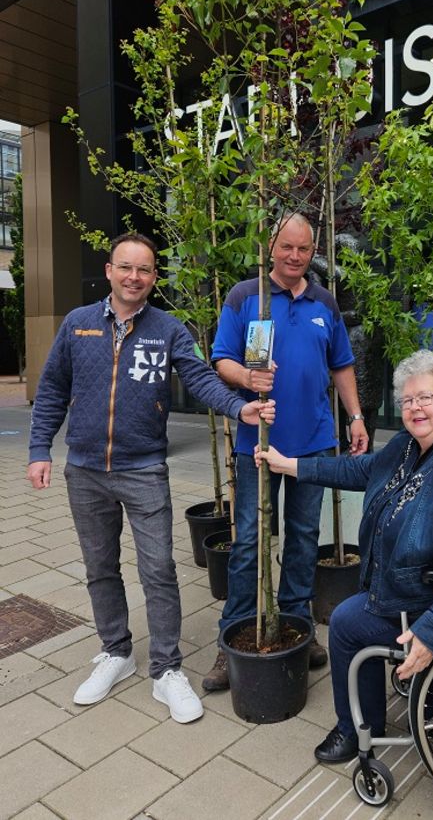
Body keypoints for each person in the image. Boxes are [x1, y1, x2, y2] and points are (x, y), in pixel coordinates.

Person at [27, 232, 275, 724]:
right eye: (126, 267)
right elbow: (52, 388)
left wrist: (239, 407)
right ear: (109, 271)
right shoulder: (78, 326)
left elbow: (202, 378)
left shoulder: (167, 329)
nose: (134, 277)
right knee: (100, 567)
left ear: (154, 277)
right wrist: (39, 450)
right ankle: (116, 653)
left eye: (144, 270)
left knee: (159, 570)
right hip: (85, 469)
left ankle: (166, 669)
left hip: (143, 470)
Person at [256, 349, 433, 763]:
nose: (414, 407)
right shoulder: (414, 444)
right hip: (420, 579)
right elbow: (363, 471)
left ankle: (357, 730)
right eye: (406, 401)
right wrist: (291, 465)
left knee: (348, 623)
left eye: (426, 397)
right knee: (357, 604)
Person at [202, 212, 369, 691]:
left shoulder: (324, 303)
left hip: (314, 443)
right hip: (258, 443)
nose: (295, 257)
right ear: (270, 247)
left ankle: (299, 625)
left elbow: (342, 365)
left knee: (302, 538)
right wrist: (247, 378)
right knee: (251, 539)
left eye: (304, 249)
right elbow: (221, 359)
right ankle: (231, 635)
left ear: (312, 251)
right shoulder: (244, 296)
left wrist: (354, 416)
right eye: (287, 248)